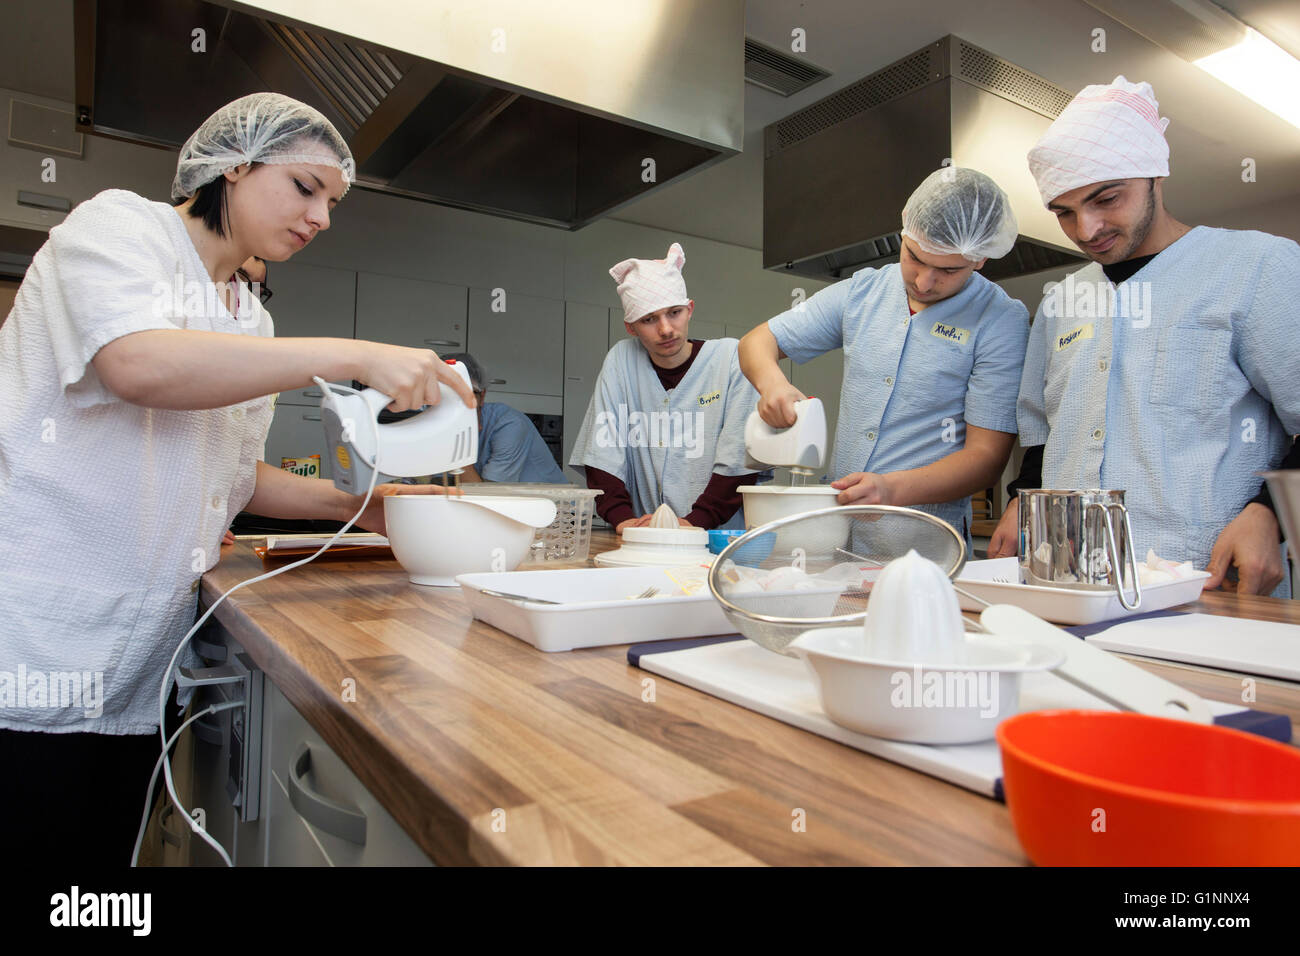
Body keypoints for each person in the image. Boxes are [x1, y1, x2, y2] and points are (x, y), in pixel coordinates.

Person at [0, 92, 474, 866]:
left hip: (135, 664)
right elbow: (137, 363)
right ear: (234, 165)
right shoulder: (121, 226)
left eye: (333, 202)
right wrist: (354, 355)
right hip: (33, 644)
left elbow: (233, 474)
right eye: (305, 187)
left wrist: (365, 508)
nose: (321, 217)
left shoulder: (250, 321)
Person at [987, 77, 1299, 597]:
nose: (1086, 229)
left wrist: (1270, 515)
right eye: (1063, 212)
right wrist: (1023, 497)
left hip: (1206, 580)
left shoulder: (1257, 268)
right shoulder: (1062, 300)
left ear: (1156, 174)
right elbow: (1045, 430)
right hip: (1070, 581)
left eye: (1106, 198)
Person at [739, 167, 1029, 545]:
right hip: (837, 535)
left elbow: (985, 459)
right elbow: (755, 342)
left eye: (947, 270)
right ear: (904, 233)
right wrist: (773, 385)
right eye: (914, 257)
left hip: (923, 544)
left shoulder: (1000, 319)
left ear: (980, 260)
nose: (924, 281)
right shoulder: (865, 291)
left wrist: (891, 490)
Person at [569, 242, 761, 532]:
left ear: (689, 309)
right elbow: (602, 451)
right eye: (649, 319)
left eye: (674, 313)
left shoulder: (730, 359)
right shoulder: (622, 361)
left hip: (717, 538)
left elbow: (738, 459)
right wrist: (623, 520)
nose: (666, 329)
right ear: (631, 327)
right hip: (641, 536)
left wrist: (695, 523)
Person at [442, 351, 567, 484]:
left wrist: (455, 448)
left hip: (550, 502)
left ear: (482, 396)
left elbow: (488, 496)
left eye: (464, 396)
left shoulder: (510, 425)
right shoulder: (435, 421)